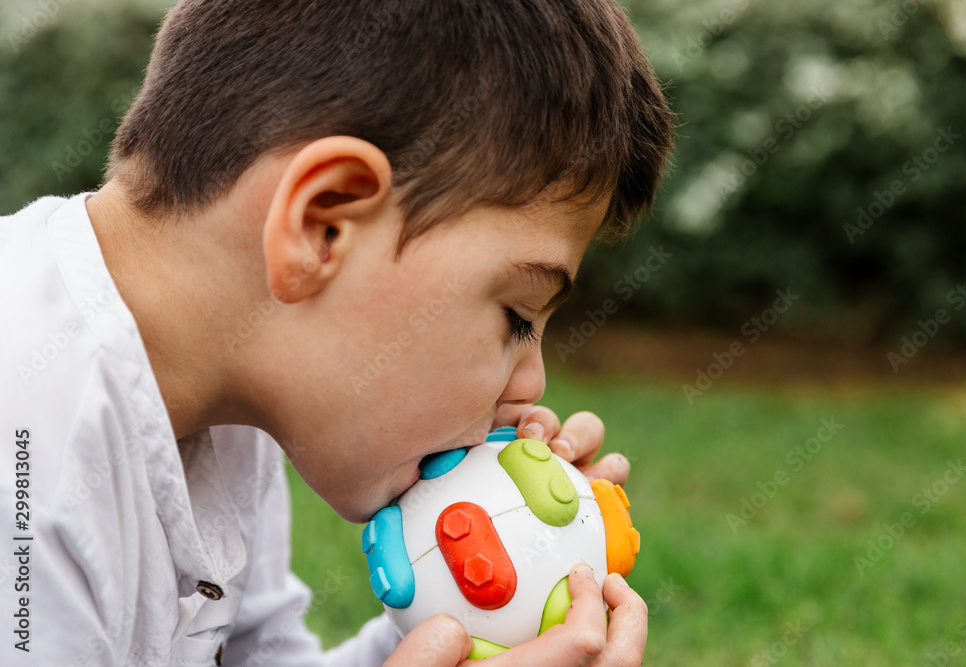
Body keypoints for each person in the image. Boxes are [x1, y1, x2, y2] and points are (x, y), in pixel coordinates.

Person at [0, 0, 673, 664]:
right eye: (517, 317)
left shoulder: (232, 383)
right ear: (324, 225)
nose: (532, 385)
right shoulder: (27, 458)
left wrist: (473, 613)